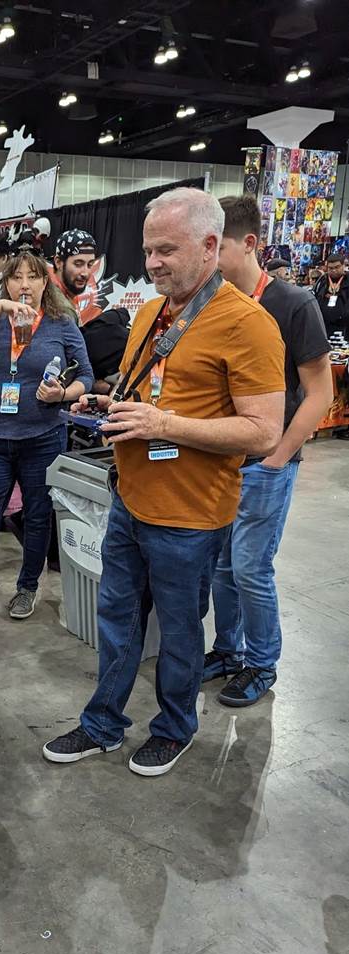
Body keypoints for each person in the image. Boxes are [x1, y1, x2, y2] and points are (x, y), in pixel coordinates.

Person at [43, 187, 286, 777]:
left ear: (209, 246)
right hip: (129, 498)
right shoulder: (149, 313)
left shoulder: (249, 324)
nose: (152, 263)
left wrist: (163, 424)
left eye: (166, 251)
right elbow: (142, 392)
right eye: (148, 250)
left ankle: (174, 727)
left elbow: (263, 432)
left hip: (192, 517)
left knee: (179, 632)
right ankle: (103, 724)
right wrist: (108, 408)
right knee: (116, 619)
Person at [200, 196, 332, 705]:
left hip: (267, 465)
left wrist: (278, 456)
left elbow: (318, 392)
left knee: (251, 567)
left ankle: (262, 663)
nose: (210, 259)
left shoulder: (293, 303)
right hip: (223, 462)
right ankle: (229, 650)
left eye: (220, 248)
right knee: (223, 567)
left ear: (249, 244)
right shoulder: (212, 303)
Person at [0, 250, 93, 620]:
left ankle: (28, 588)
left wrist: (63, 394)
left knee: (37, 515)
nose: (24, 284)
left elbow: (87, 378)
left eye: (33, 276)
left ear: (44, 282)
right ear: (6, 283)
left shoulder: (61, 322)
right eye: (16, 277)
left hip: (43, 438)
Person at [52, 228, 129, 393]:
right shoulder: (56, 303)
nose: (85, 273)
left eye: (90, 264)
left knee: (120, 316)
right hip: (64, 375)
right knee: (119, 335)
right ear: (58, 262)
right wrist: (94, 386)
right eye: (78, 264)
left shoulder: (69, 295)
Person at [313, 253, 349, 345]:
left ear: (343, 265)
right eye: (330, 268)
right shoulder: (322, 281)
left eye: (337, 267)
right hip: (324, 327)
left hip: (345, 327)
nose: (333, 270)